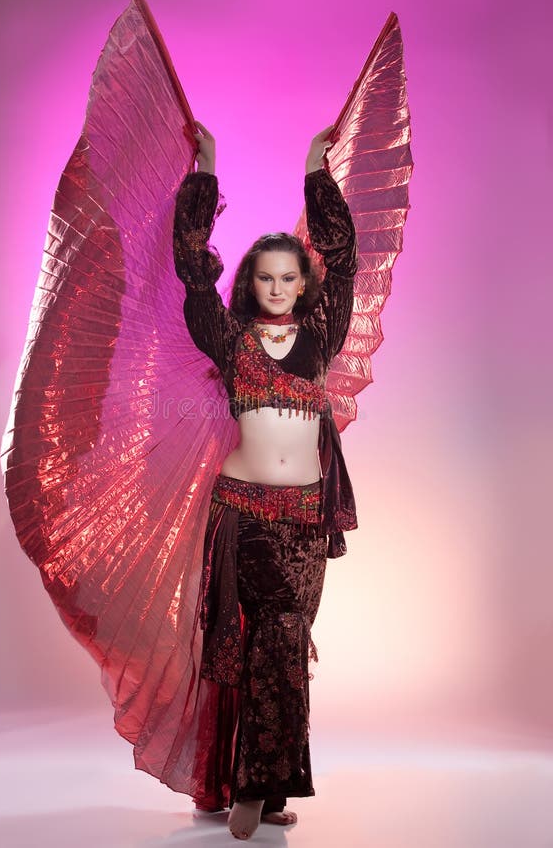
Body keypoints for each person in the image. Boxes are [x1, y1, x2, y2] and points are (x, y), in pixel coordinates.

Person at [172, 121, 359, 840]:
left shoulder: (321, 334)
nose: (278, 287)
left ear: (302, 284)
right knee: (273, 635)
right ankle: (252, 788)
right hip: (245, 512)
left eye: (289, 276)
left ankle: (268, 782)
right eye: (265, 276)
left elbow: (343, 262)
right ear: (250, 284)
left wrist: (317, 172)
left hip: (308, 517)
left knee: (281, 645)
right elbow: (193, 269)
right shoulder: (228, 337)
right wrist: (206, 171)